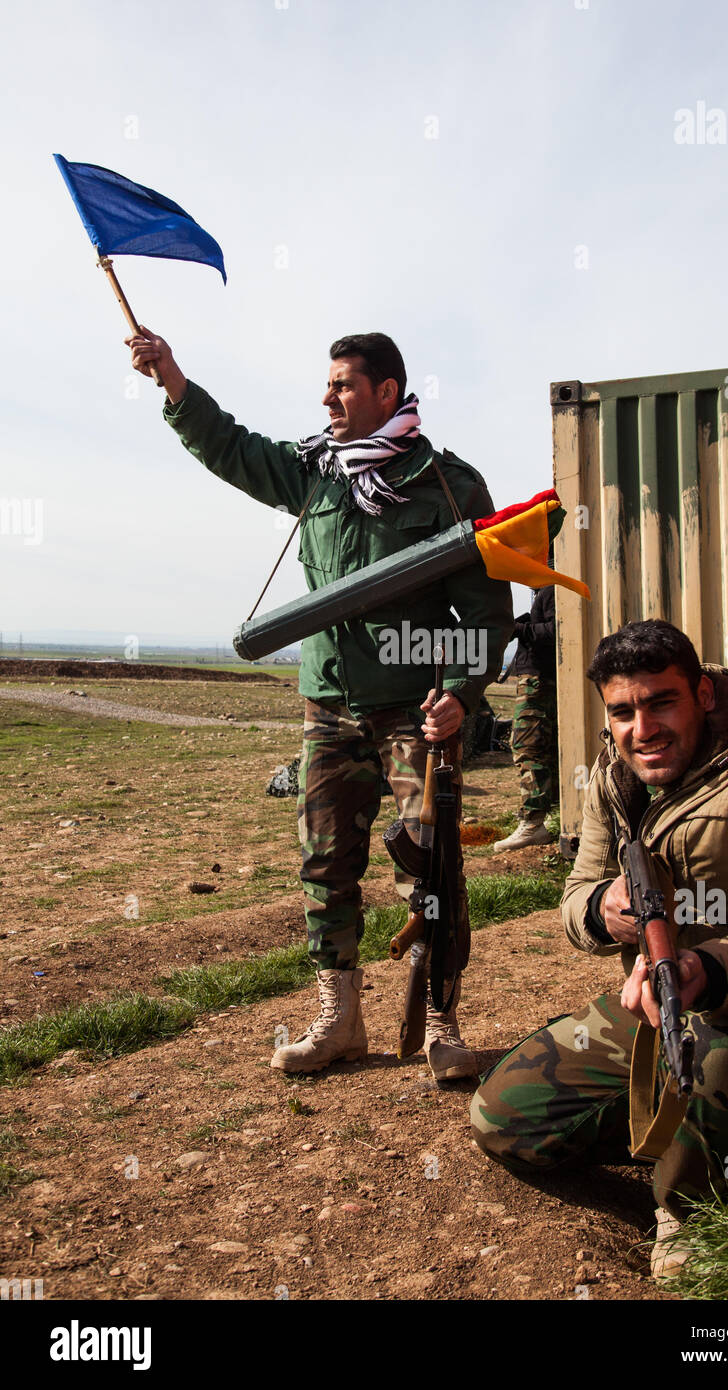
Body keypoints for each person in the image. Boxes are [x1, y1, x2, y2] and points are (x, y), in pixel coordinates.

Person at [126, 328, 513, 1080]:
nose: (326, 397)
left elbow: (491, 620)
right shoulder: (316, 474)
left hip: (413, 712)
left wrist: (461, 697)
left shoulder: (448, 486)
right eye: (328, 385)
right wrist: (171, 375)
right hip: (328, 706)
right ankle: (340, 1018)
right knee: (324, 863)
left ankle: (440, 1021)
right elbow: (231, 447)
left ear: (386, 393)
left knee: (430, 870)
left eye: (341, 385)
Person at [470, 619, 728, 1273]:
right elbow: (574, 899)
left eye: (663, 701)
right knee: (503, 1118)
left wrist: (703, 968)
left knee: (717, 1056)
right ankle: (690, 1136)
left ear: (705, 695)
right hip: (648, 1006)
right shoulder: (615, 774)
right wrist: (604, 912)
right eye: (624, 711)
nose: (644, 729)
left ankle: (692, 1209)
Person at [493, 584, 557, 852]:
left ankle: (533, 823)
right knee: (542, 749)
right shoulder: (545, 591)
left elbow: (555, 631)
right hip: (538, 680)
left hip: (538, 683)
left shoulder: (552, 589)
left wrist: (519, 630)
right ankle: (547, 815)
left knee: (528, 748)